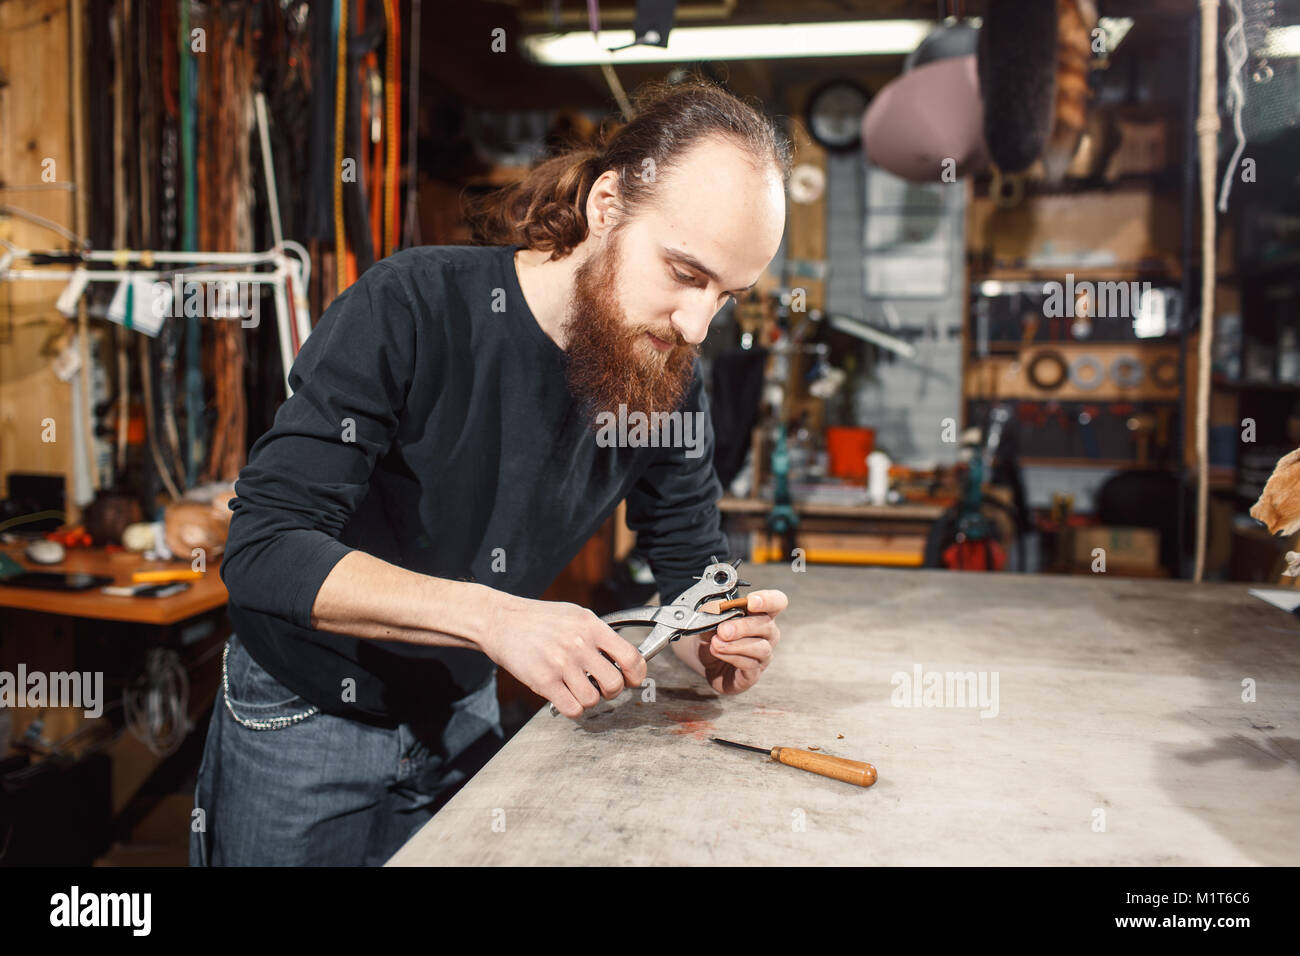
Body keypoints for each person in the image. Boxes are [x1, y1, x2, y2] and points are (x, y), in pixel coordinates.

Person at [191, 76, 791, 866]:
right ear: (607, 207)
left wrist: (704, 635)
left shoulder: (669, 371)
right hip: (306, 715)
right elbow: (265, 551)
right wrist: (496, 617)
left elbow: (688, 554)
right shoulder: (409, 307)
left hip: (462, 708)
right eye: (684, 272)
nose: (696, 323)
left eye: (729, 294)